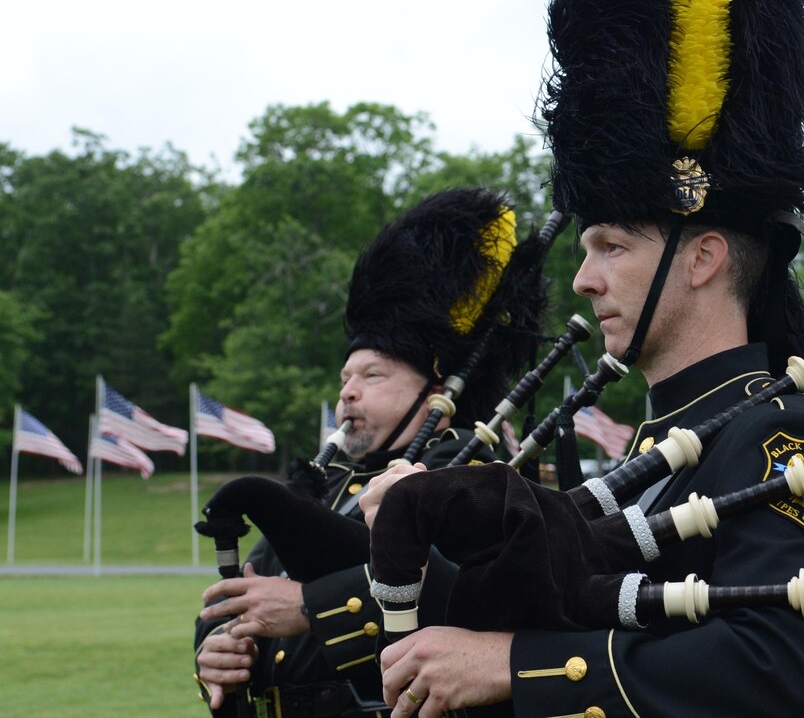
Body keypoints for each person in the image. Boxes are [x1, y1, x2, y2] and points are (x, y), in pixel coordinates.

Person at [364, 0, 804, 716]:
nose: (583, 279)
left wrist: (516, 665)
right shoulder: (657, 443)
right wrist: (414, 527)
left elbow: (779, 673)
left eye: (611, 246)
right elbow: (574, 607)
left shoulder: (778, 436)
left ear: (702, 259)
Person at [193, 187, 547, 717]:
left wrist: (310, 607)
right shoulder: (328, 483)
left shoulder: (470, 480)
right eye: (345, 378)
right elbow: (244, 592)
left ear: (437, 398)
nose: (349, 393)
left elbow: (463, 595)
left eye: (372, 376)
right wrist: (214, 652)